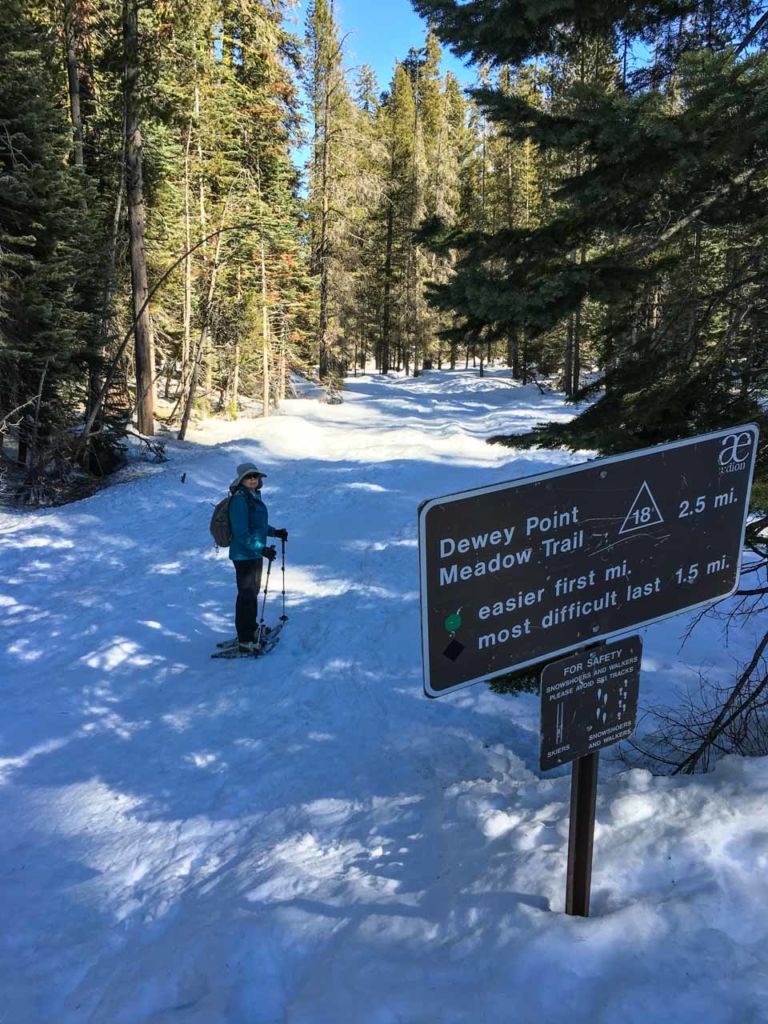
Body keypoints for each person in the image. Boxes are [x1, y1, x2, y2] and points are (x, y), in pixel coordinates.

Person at [228, 462, 288, 653]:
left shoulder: (253, 496)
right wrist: (261, 549)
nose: (253, 480)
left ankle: (252, 629)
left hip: (254, 553)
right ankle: (245, 639)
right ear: (241, 480)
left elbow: (258, 526)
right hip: (244, 554)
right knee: (246, 595)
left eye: (255, 476)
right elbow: (241, 533)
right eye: (248, 477)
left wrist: (274, 532)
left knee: (252, 592)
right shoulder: (239, 500)